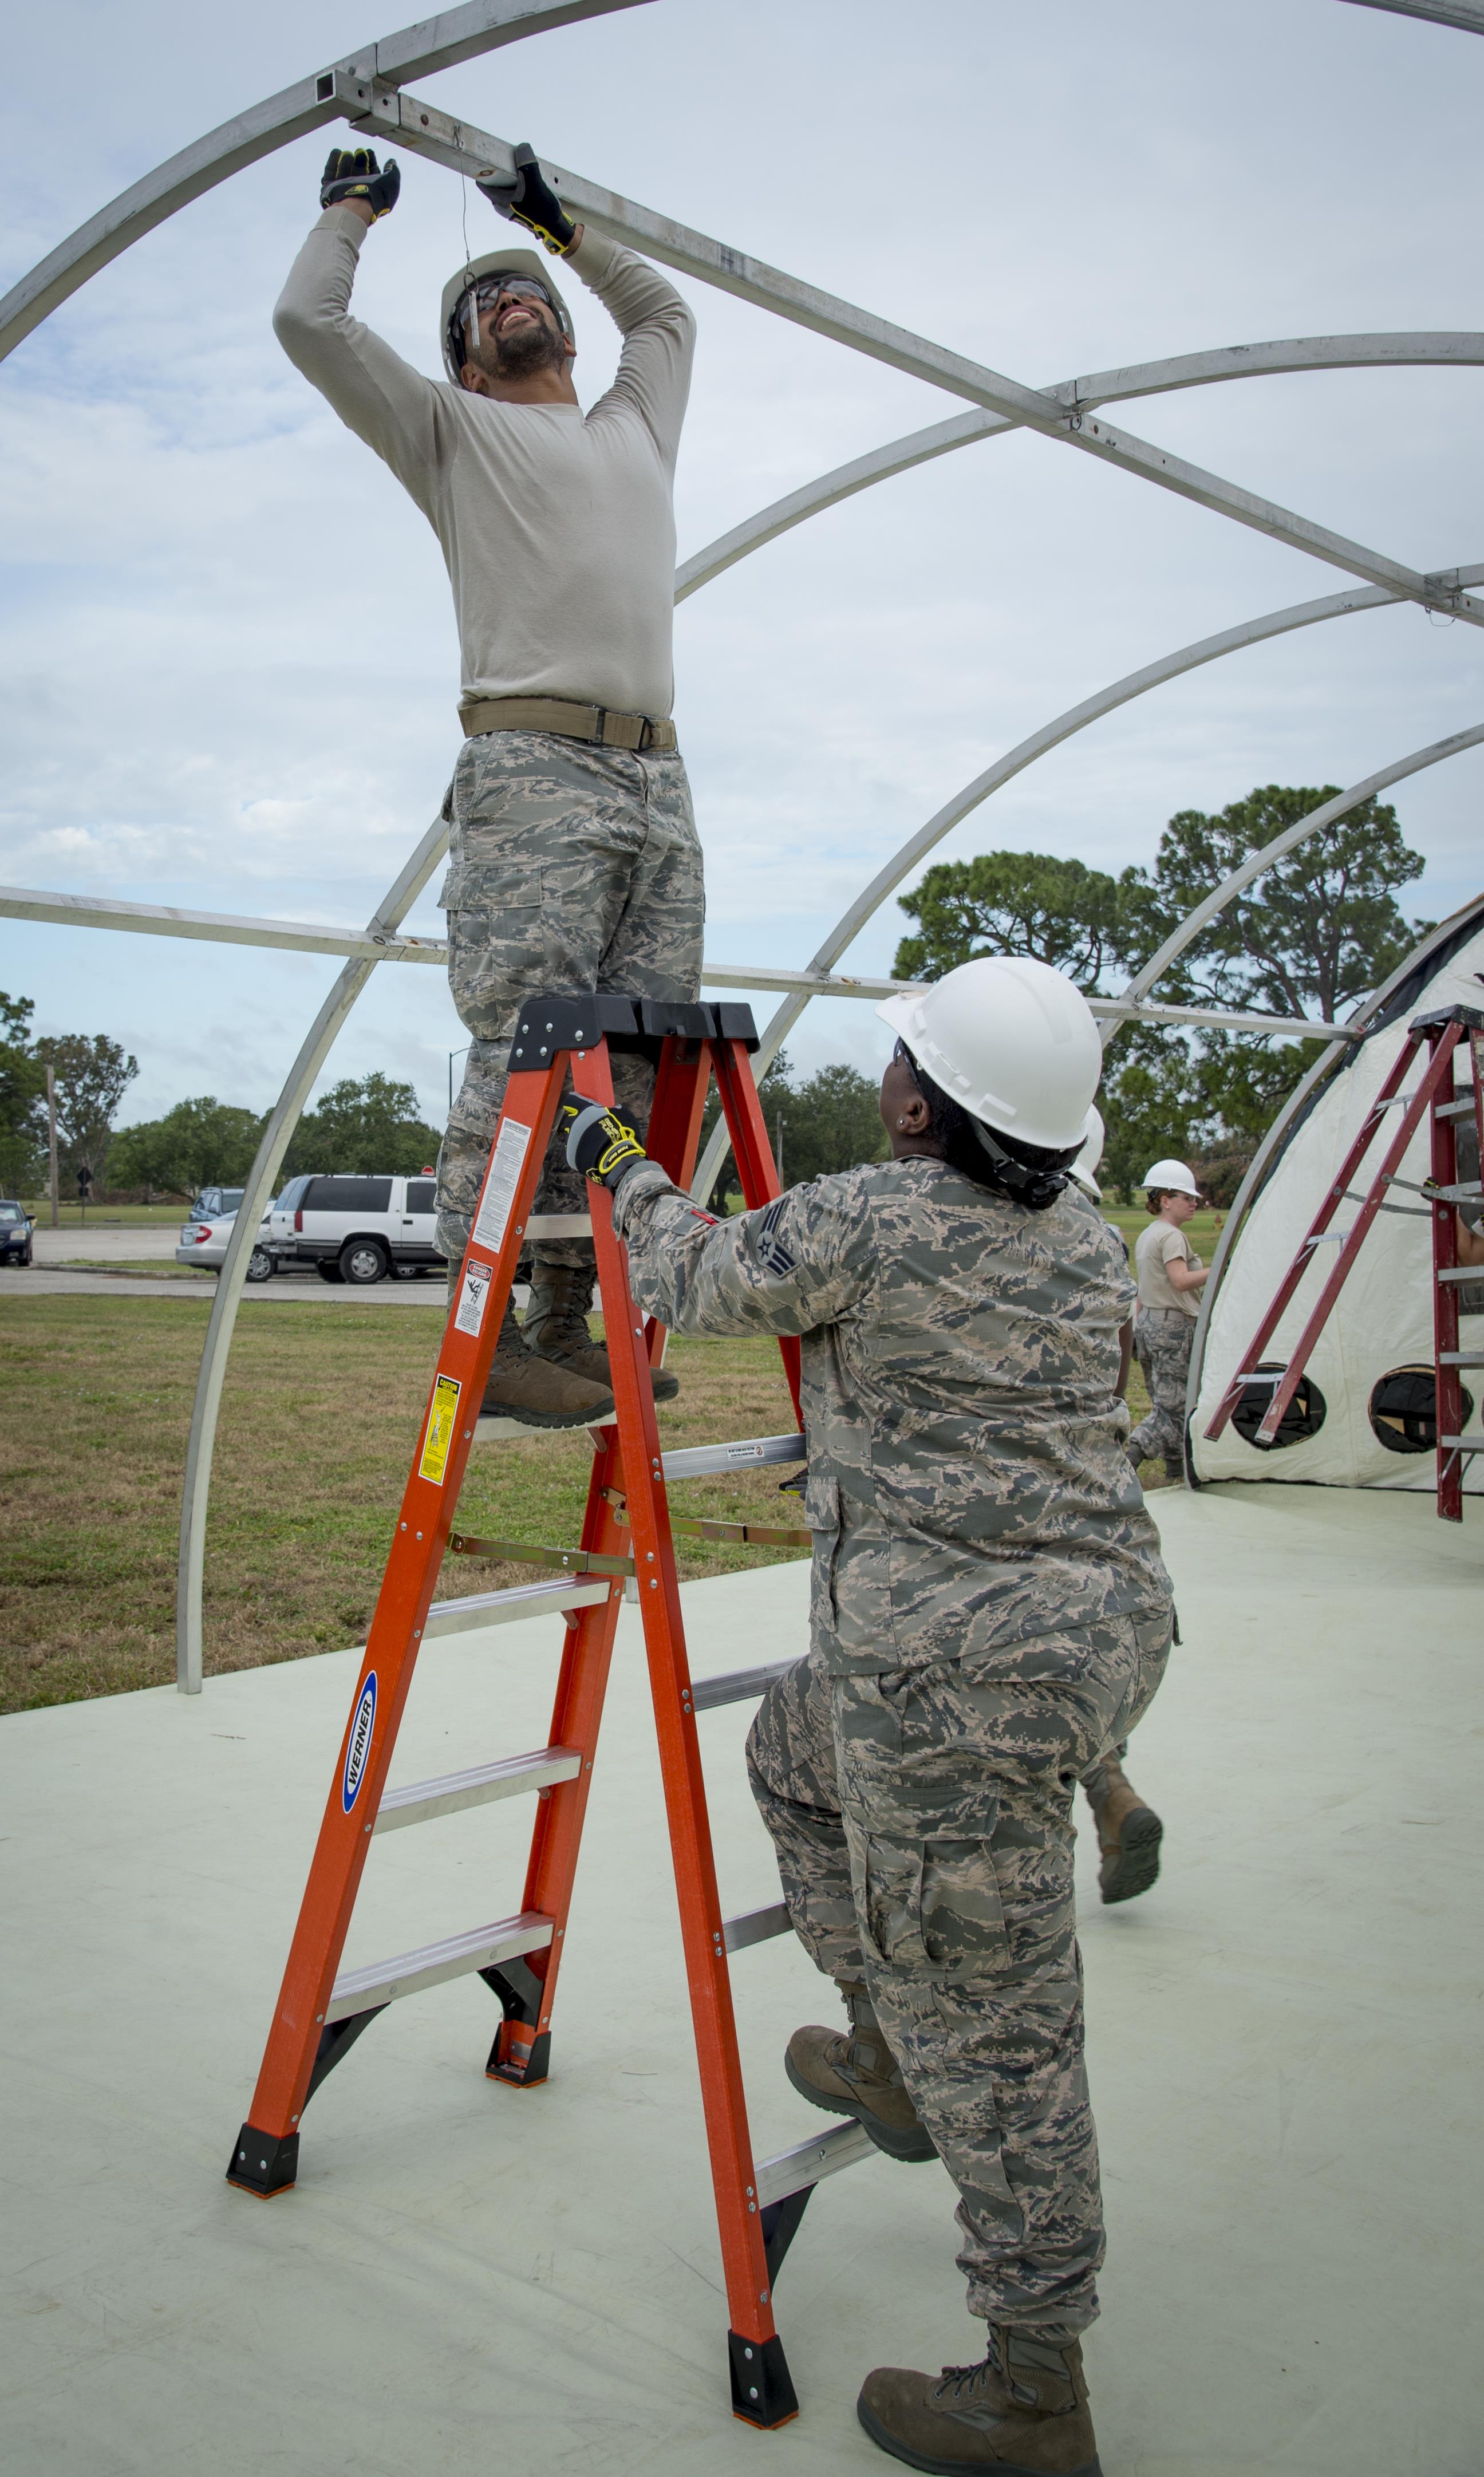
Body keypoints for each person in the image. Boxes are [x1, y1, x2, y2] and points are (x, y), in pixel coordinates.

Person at [564, 956, 1174, 2475]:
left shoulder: (873, 1216)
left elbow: (699, 1275)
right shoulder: (1092, 1235)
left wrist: (618, 1161)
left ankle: (1037, 2382)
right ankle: (889, 2042)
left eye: (898, 1064)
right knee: (789, 1749)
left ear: (916, 1099)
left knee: (1011, 2026)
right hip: (1093, 1635)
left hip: (952, 1685)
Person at [273, 143, 700, 1426]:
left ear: (564, 326)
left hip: (658, 777)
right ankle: (490, 1315)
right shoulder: (449, 432)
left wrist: (558, 225)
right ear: (463, 362)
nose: (505, 303)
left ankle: (567, 1331)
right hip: (533, 767)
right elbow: (310, 320)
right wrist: (353, 210)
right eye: (479, 306)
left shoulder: (634, 423)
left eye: (525, 294)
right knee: (526, 1045)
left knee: (626, 1065)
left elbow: (667, 314)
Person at [1068, 1115, 1166, 1905]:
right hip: (1107, 1534)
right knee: (1079, 1668)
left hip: (1000, 1531)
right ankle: (1112, 1794)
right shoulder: (1102, 1244)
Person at [1127, 1160, 1209, 1483]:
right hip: (1173, 1328)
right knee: (1176, 1407)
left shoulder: (1148, 1235)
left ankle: (1176, 1468)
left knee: (1166, 1399)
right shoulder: (1172, 1237)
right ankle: (1132, 1454)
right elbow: (1180, 1280)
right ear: (1165, 1200)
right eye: (1186, 1197)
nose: (1194, 1203)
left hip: (1148, 1324)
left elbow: (1144, 1290)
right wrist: (1219, 1271)